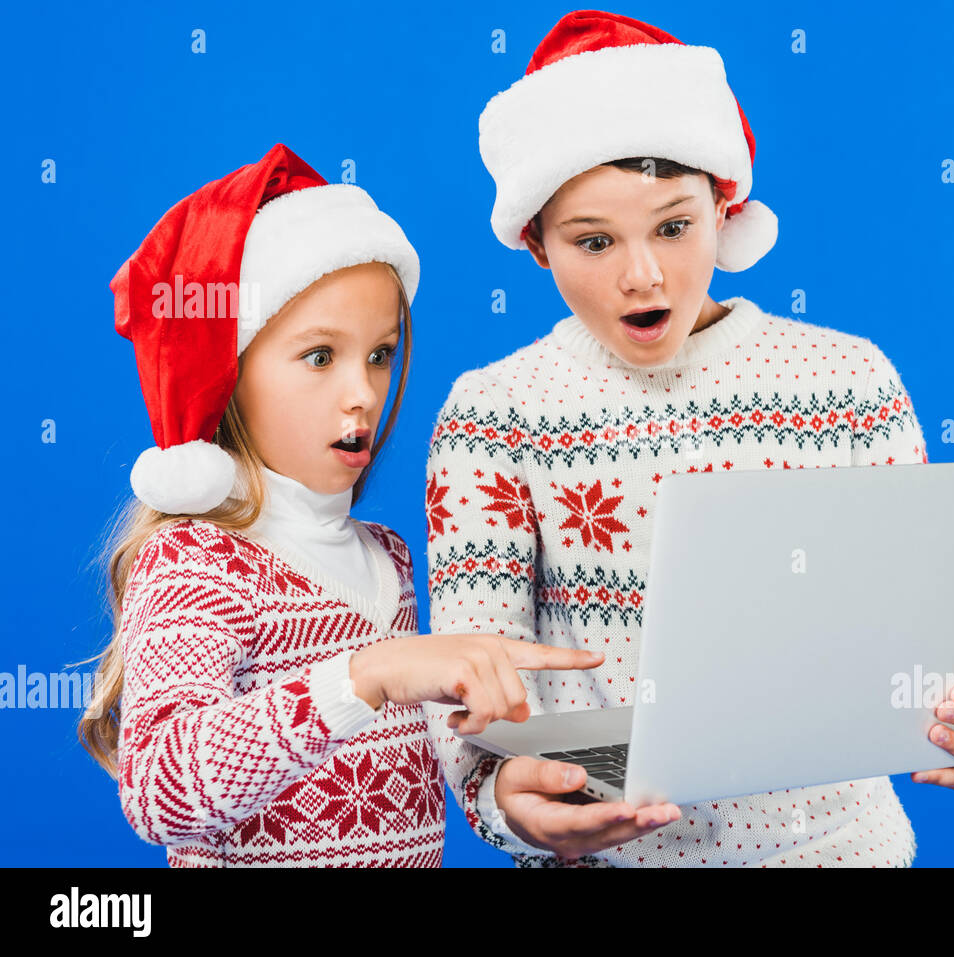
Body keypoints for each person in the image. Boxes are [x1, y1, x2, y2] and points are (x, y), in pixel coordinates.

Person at [424, 11, 954, 868]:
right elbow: (468, 687)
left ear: (724, 206)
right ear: (535, 244)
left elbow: (915, 651)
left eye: (674, 226)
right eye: (593, 241)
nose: (642, 274)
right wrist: (505, 804)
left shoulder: (849, 382)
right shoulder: (498, 411)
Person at [79, 143, 603, 867]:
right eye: (320, 356)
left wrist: (538, 777)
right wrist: (367, 674)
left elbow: (408, 775)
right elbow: (160, 785)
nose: (363, 391)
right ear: (228, 372)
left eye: (380, 353)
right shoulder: (200, 559)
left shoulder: (385, 554)